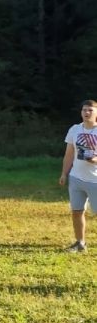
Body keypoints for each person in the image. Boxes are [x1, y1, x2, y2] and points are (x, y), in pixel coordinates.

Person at [59, 98, 97, 252]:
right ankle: (80, 243)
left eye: (90, 110)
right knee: (76, 212)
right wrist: (64, 174)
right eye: (84, 110)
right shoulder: (74, 129)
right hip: (76, 178)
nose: (86, 112)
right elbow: (69, 154)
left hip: (95, 180)